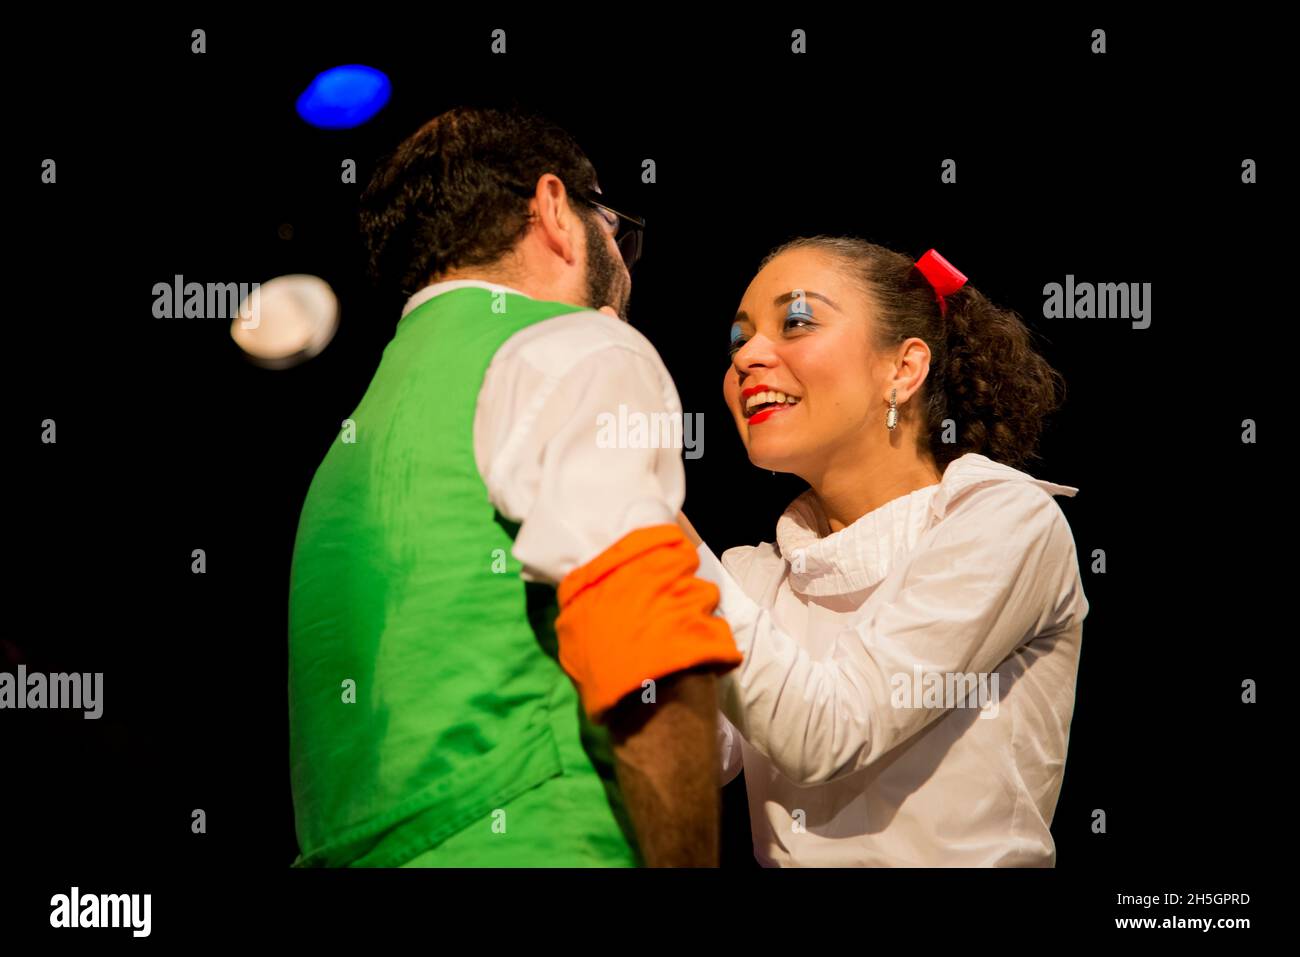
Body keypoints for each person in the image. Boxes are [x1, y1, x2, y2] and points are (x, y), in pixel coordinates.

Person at [287, 107, 741, 868]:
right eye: (617, 232)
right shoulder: (578, 344)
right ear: (558, 211)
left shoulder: (343, 455)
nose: (624, 269)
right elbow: (642, 636)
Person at [681, 237, 1089, 866]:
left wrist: (648, 517)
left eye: (795, 322)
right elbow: (682, 760)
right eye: (739, 340)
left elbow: (830, 729)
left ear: (902, 369)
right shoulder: (750, 577)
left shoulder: (1005, 521)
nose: (748, 356)